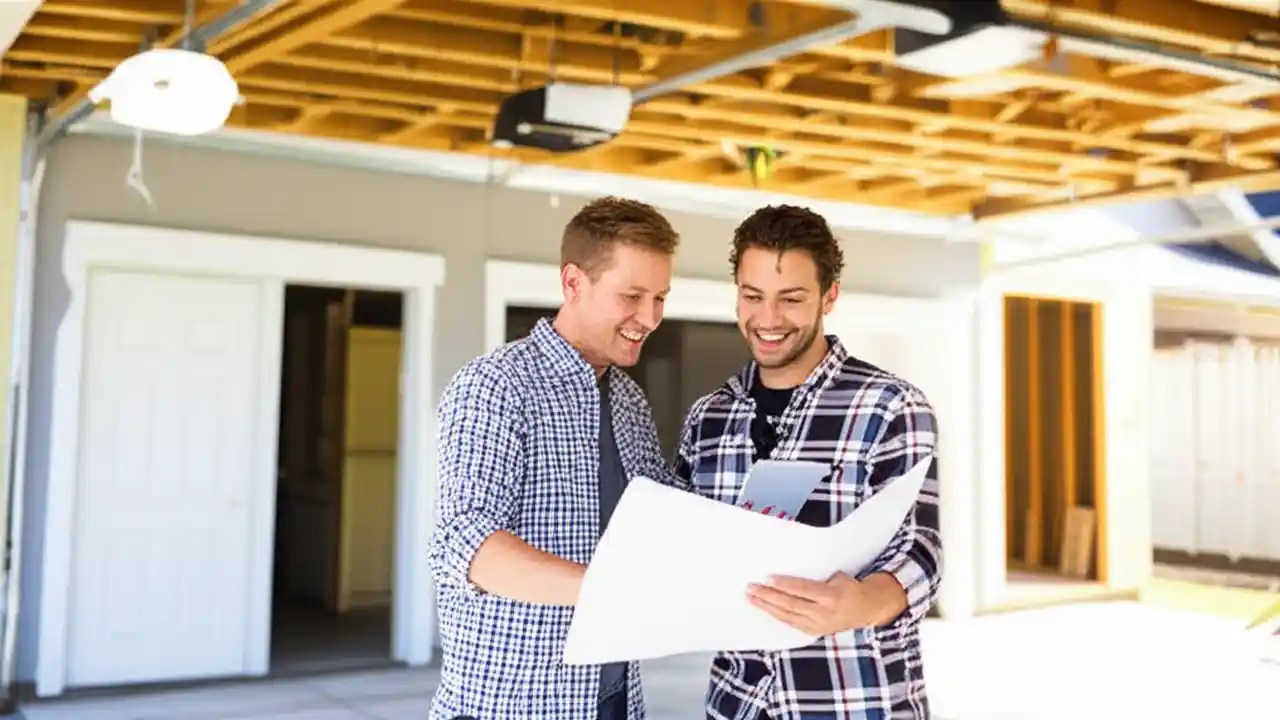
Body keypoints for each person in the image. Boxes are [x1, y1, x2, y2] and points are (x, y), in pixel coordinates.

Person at [673, 205, 942, 719]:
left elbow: (921, 551)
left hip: (853, 700)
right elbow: (688, 545)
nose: (768, 319)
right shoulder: (709, 417)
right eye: (753, 297)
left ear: (829, 297)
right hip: (737, 701)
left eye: (791, 299)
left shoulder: (891, 407)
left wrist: (864, 601)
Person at [428, 196, 680, 720]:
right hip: (510, 707)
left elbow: (656, 523)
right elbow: (465, 542)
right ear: (573, 284)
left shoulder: (630, 402)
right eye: (632, 295)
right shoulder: (495, 385)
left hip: (613, 700)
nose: (650, 317)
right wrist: (604, 590)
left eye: (659, 297)